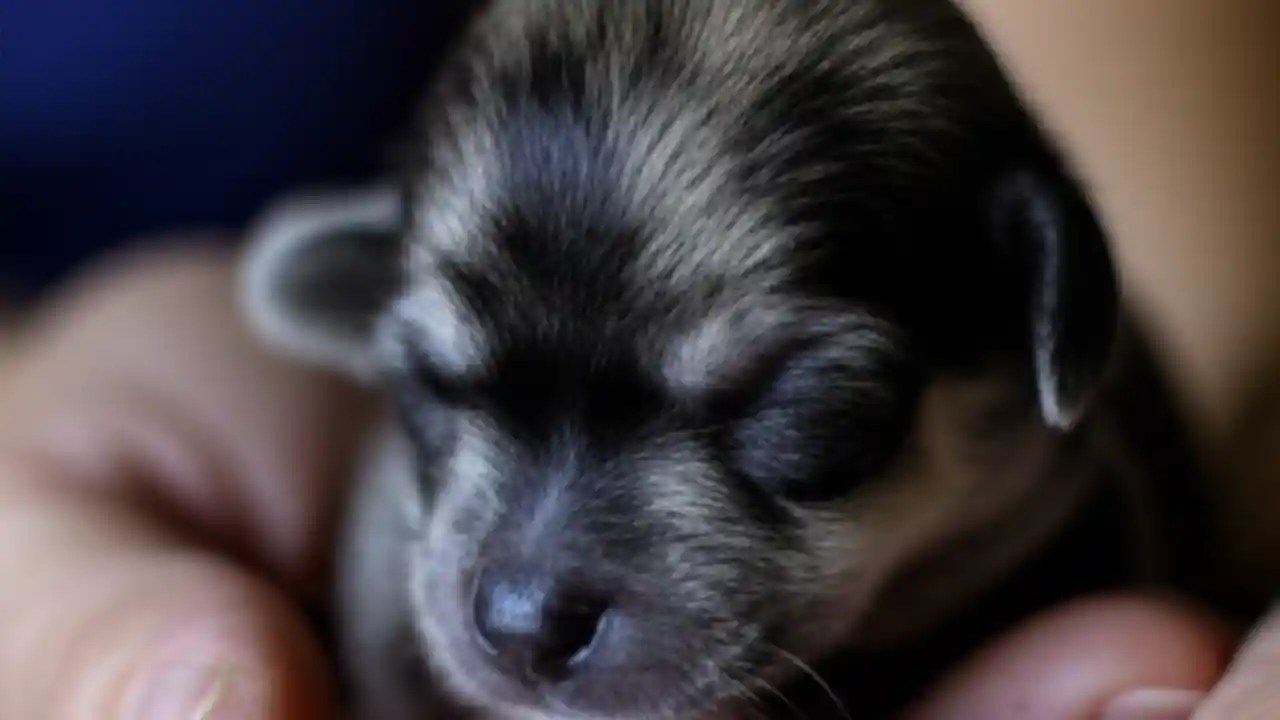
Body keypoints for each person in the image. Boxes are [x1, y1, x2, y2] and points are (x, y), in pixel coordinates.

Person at [1, 1, 1276, 718]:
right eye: (441, 389)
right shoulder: (367, 586)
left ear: (1047, 321)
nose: (524, 592)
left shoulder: (1115, 509)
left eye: (791, 411)